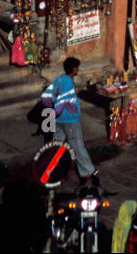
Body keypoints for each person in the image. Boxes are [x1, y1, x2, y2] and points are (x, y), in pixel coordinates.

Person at [41, 56, 98, 185]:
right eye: (77, 67)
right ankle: (88, 171)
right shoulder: (68, 83)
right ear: (73, 69)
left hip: (59, 121)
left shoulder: (59, 79)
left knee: (56, 145)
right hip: (69, 120)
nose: (78, 69)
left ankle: (48, 171)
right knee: (77, 144)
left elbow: (46, 97)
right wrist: (56, 112)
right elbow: (62, 102)